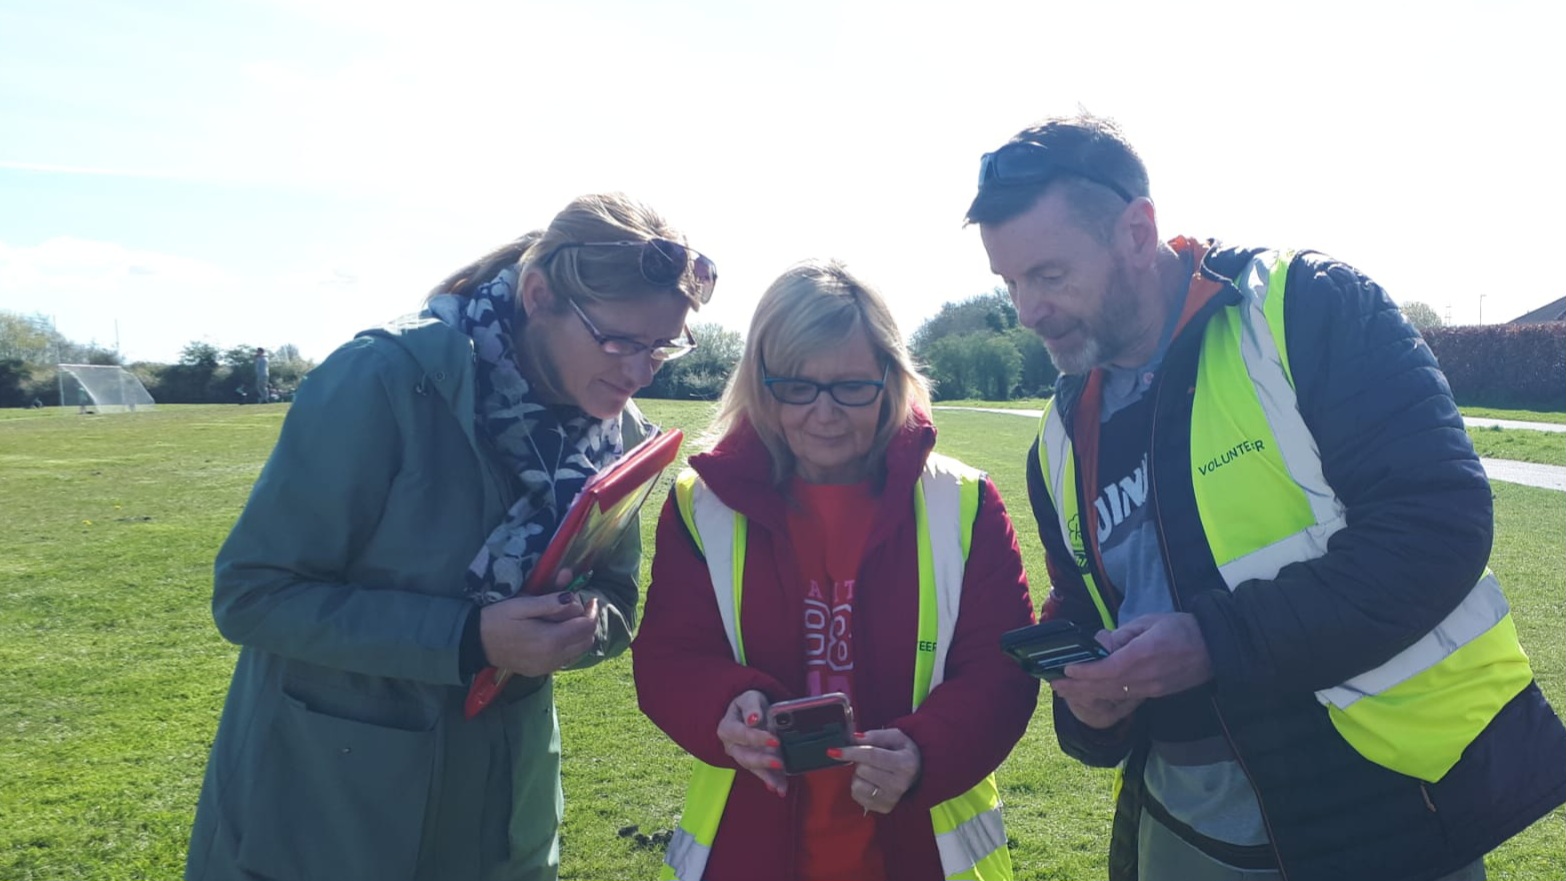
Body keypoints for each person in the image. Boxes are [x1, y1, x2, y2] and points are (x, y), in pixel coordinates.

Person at [967, 113, 1566, 881]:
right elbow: (1086, 614)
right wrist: (1088, 707)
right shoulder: (1057, 437)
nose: (1026, 310)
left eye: (1049, 275)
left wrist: (1212, 640)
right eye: (1009, 282)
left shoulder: (1304, 308)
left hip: (1379, 815)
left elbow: (1437, 525)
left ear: (1138, 232)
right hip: (1182, 830)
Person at [185, 193, 717, 881]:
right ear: (537, 296)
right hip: (328, 811)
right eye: (620, 340)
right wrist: (469, 638)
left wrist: (584, 626)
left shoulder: (617, 431)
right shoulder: (385, 378)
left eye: (663, 346)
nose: (642, 370)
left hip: (502, 810)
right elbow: (253, 595)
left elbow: (615, 593)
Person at [633, 259, 1038, 881]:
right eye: (796, 386)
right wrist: (726, 707)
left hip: (919, 850)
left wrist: (925, 751)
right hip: (755, 846)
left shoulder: (964, 503)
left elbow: (1001, 669)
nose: (824, 413)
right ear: (760, 383)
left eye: (851, 386)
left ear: (892, 379)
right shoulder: (701, 504)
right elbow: (668, 658)